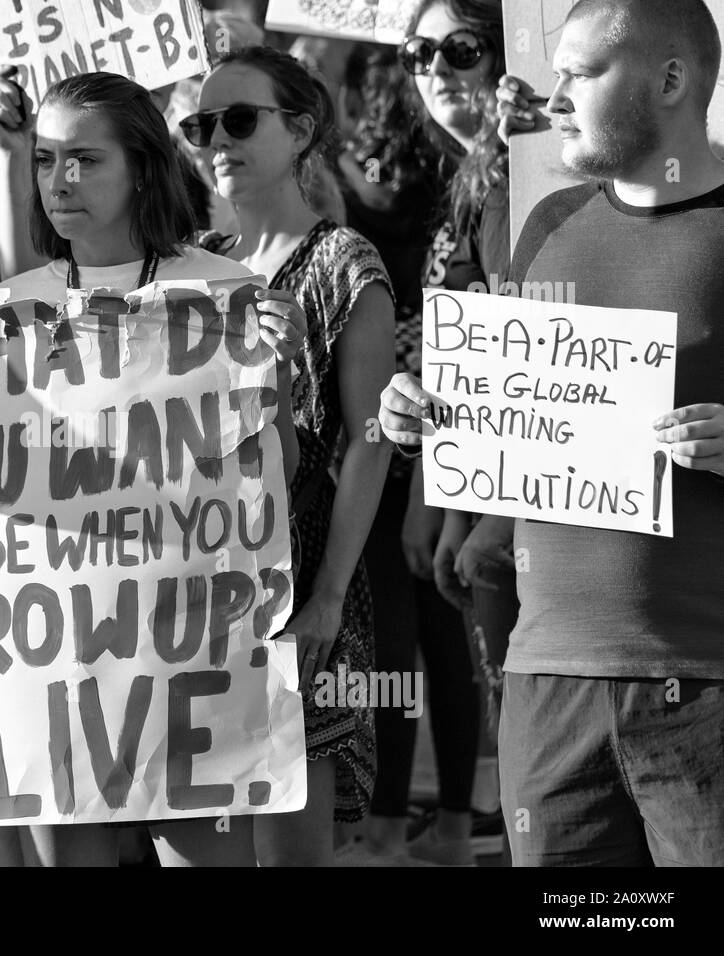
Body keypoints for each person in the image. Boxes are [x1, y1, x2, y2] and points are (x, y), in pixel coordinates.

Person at [0, 69, 308, 867]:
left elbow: (277, 478)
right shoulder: (3, 313)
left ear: (143, 167)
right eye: (45, 159)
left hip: (188, 660)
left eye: (85, 160)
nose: (59, 180)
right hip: (49, 674)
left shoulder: (229, 298)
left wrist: (282, 370)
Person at [383, 0, 724, 866]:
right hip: (546, 686)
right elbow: (508, 417)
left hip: (705, 684)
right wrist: (424, 416)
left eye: (581, 72)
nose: (555, 94)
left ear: (671, 79)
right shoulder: (545, 224)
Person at [184, 47, 395, 865]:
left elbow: (370, 443)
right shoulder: (195, 262)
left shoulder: (348, 265)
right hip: (193, 600)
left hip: (300, 586)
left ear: (302, 130)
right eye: (202, 125)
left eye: (241, 120)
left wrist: (331, 598)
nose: (218, 141)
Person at [348, 0, 508, 867]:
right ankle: (435, 821)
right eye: (417, 53)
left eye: (460, 48)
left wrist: (434, 495)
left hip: (521, 507)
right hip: (461, 484)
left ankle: (453, 820)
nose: (436, 68)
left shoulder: (526, 180)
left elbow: (505, 353)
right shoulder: (472, 181)